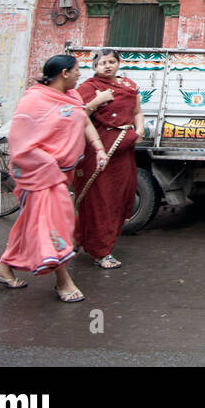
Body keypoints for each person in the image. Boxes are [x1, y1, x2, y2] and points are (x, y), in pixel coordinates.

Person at [0, 55, 108, 302]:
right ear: (64, 73)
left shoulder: (73, 97)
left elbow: (82, 120)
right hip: (41, 174)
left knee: (31, 223)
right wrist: (48, 164)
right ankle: (63, 281)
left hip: (64, 173)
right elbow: (20, 141)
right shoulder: (35, 101)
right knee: (56, 225)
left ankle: (3, 267)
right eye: (76, 71)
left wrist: (98, 147)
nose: (79, 75)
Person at [74, 49, 144, 269]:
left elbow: (137, 111)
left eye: (112, 61)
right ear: (95, 67)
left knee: (120, 198)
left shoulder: (128, 86)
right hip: (99, 152)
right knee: (99, 201)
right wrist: (97, 101)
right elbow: (76, 115)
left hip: (124, 152)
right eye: (102, 62)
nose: (107, 66)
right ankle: (100, 251)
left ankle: (84, 240)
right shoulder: (88, 88)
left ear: (118, 63)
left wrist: (139, 132)